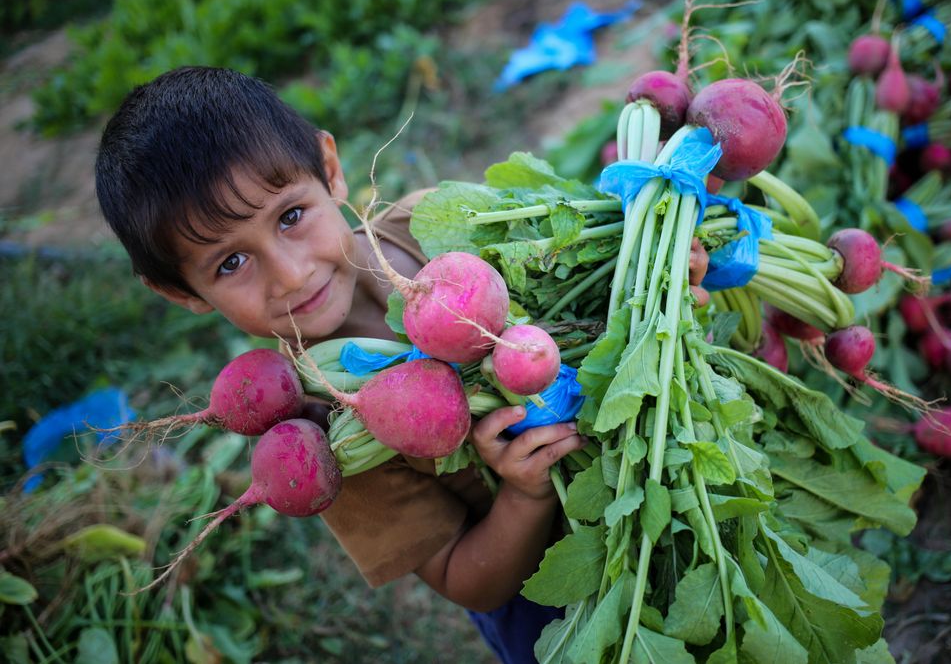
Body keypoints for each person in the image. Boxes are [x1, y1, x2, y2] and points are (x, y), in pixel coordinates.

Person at [94, 66, 588, 663]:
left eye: (290, 217)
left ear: (330, 170)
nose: (290, 274)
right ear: (183, 294)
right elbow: (470, 581)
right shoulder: (319, 437)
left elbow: (583, 262)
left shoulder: (433, 225)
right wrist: (524, 497)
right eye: (230, 264)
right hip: (555, 603)